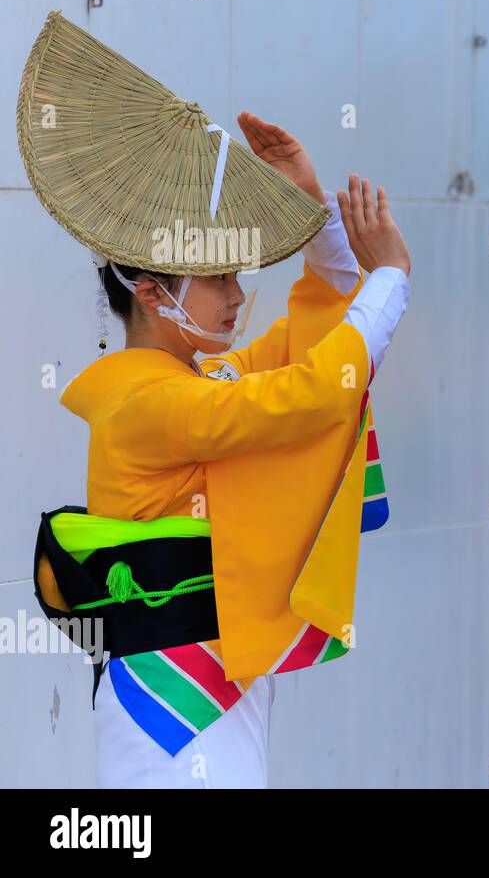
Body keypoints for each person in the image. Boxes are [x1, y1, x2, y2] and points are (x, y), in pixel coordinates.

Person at [32, 113, 412, 786]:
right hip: (169, 700)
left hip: (204, 683)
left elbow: (307, 348)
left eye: (236, 277)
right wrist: (389, 280)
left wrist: (315, 216)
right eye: (217, 282)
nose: (238, 298)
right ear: (150, 291)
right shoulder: (154, 404)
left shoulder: (193, 384)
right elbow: (316, 393)